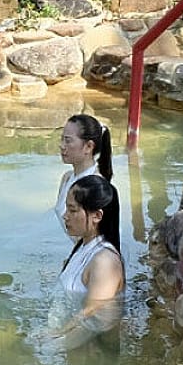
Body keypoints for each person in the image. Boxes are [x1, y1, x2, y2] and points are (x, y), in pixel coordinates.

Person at [53, 175, 124, 349]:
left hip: (87, 352)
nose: (65, 216)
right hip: (71, 344)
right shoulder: (83, 246)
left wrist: (53, 345)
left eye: (72, 210)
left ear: (97, 215)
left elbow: (95, 317)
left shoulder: (104, 261)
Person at [54, 114, 112, 242]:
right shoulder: (67, 178)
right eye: (62, 139)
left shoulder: (95, 186)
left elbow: (97, 237)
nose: (62, 146)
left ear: (89, 146)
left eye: (68, 140)